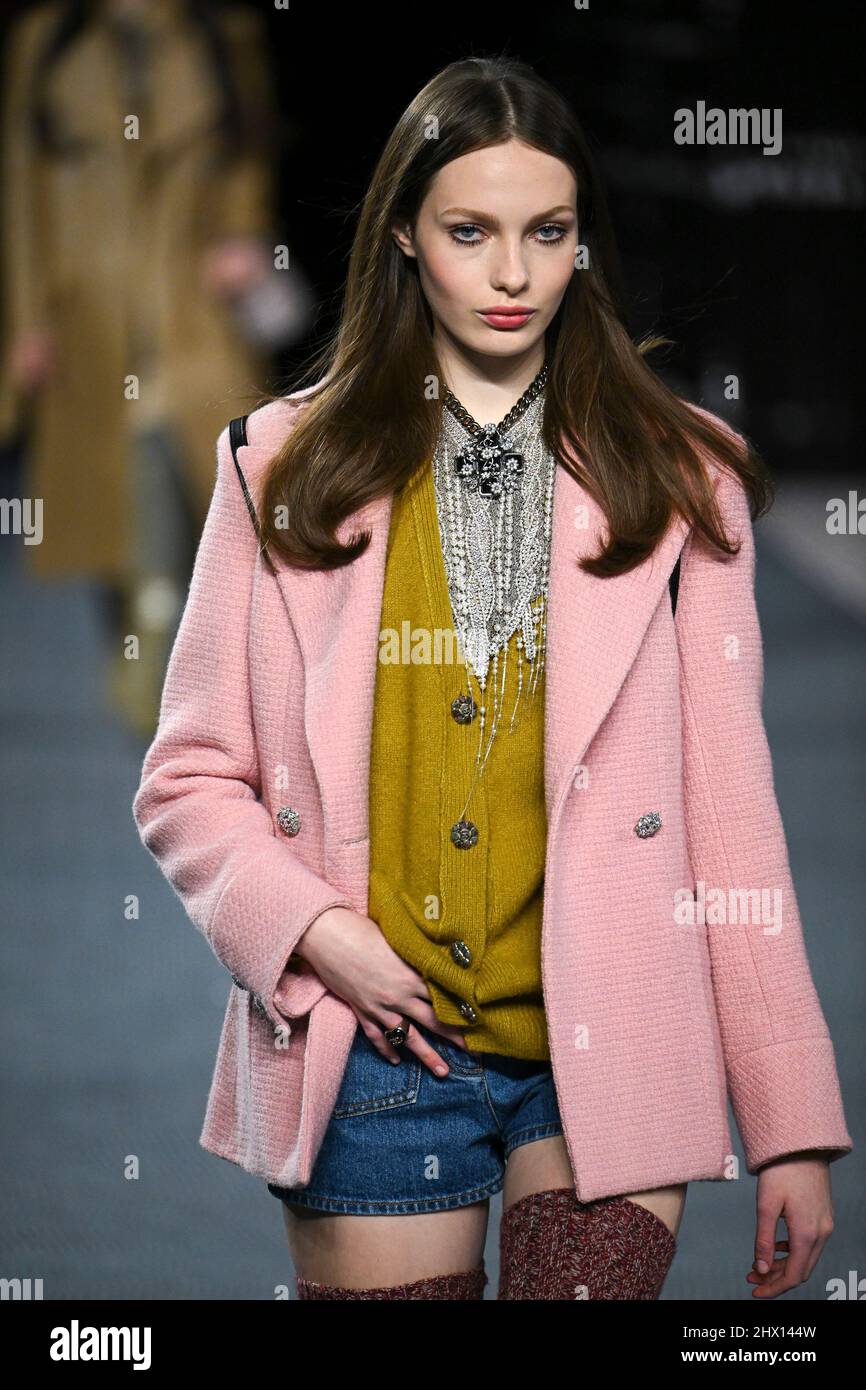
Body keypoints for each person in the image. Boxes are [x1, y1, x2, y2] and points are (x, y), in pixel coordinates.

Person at [132, 55, 853, 1300]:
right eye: (470, 231)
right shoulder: (280, 469)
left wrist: (786, 1118)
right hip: (370, 1047)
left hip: (610, 1045)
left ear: (583, 244)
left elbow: (732, 826)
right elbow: (188, 778)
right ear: (405, 235)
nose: (513, 273)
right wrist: (314, 933)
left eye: (548, 232)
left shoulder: (682, 480)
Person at [0, 0, 281, 735]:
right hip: (85, 307)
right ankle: (156, 689)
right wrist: (26, 320)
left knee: (200, 492)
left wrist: (243, 234)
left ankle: (163, 695)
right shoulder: (51, 37)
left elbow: (249, 151)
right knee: (106, 516)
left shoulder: (222, 32)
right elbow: (20, 185)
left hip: (188, 302)